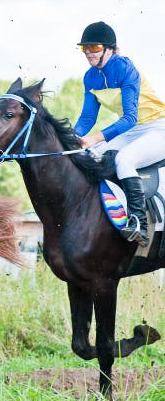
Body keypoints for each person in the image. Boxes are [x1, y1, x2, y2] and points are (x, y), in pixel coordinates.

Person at [73, 21, 165, 247]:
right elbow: (88, 118)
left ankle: (138, 223)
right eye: (84, 48)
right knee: (92, 155)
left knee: (124, 160)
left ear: (110, 50)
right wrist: (72, 138)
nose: (88, 52)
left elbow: (129, 118)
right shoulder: (90, 77)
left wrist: (95, 137)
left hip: (158, 127)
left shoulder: (125, 69)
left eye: (94, 47)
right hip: (133, 132)